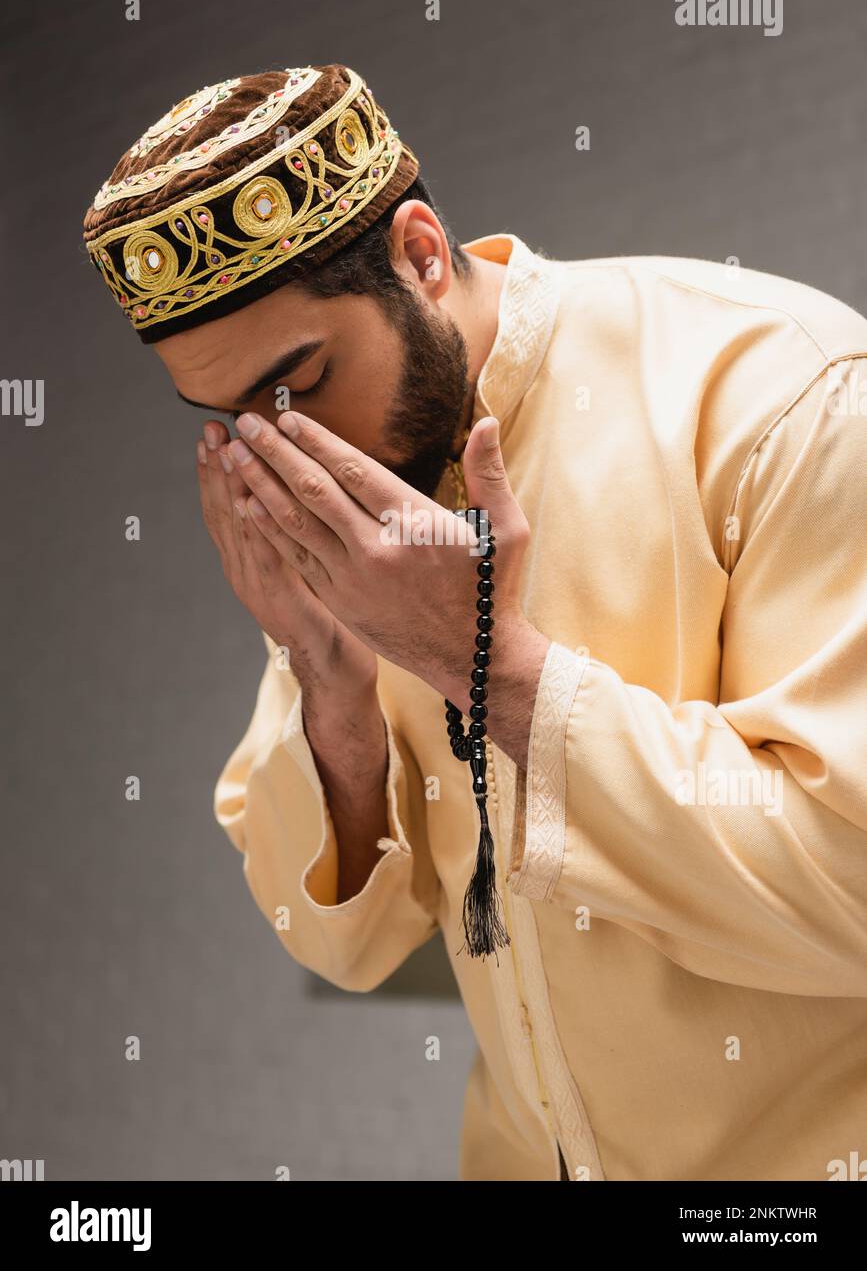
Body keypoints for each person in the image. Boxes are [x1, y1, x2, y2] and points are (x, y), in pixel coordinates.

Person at [83, 62, 867, 1182]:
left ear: (420, 252)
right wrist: (328, 677)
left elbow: (851, 886)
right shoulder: (338, 487)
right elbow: (350, 942)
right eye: (231, 420)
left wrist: (483, 661)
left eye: (299, 384)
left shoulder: (784, 394)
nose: (287, 458)